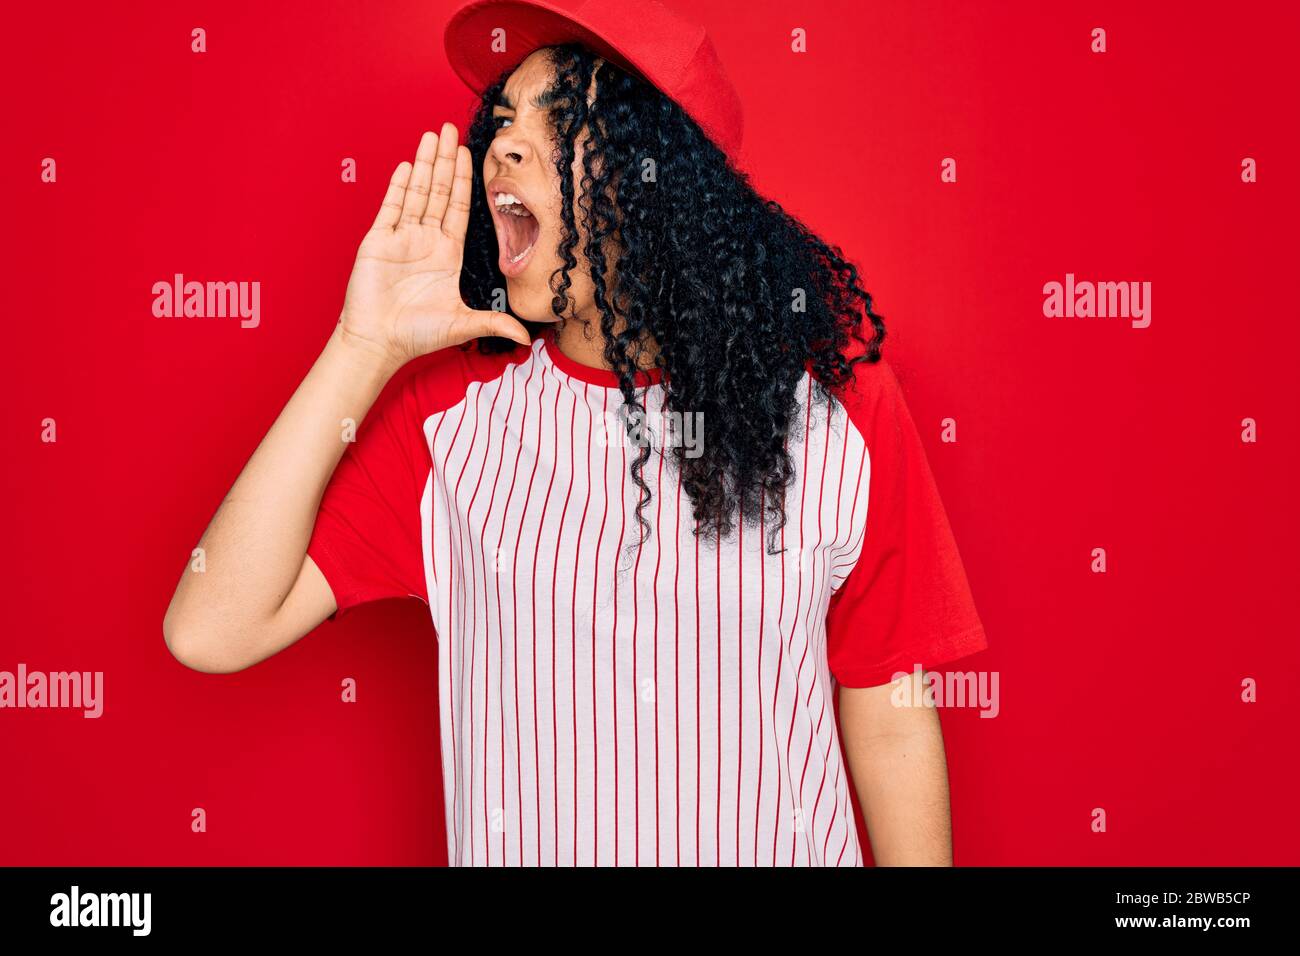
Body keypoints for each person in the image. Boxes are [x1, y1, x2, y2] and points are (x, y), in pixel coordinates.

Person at [163, 0, 988, 867]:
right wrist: (362, 346)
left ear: (661, 180)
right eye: (503, 121)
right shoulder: (450, 425)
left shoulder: (837, 409)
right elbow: (212, 628)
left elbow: (889, 710)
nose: (503, 146)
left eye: (560, 122)